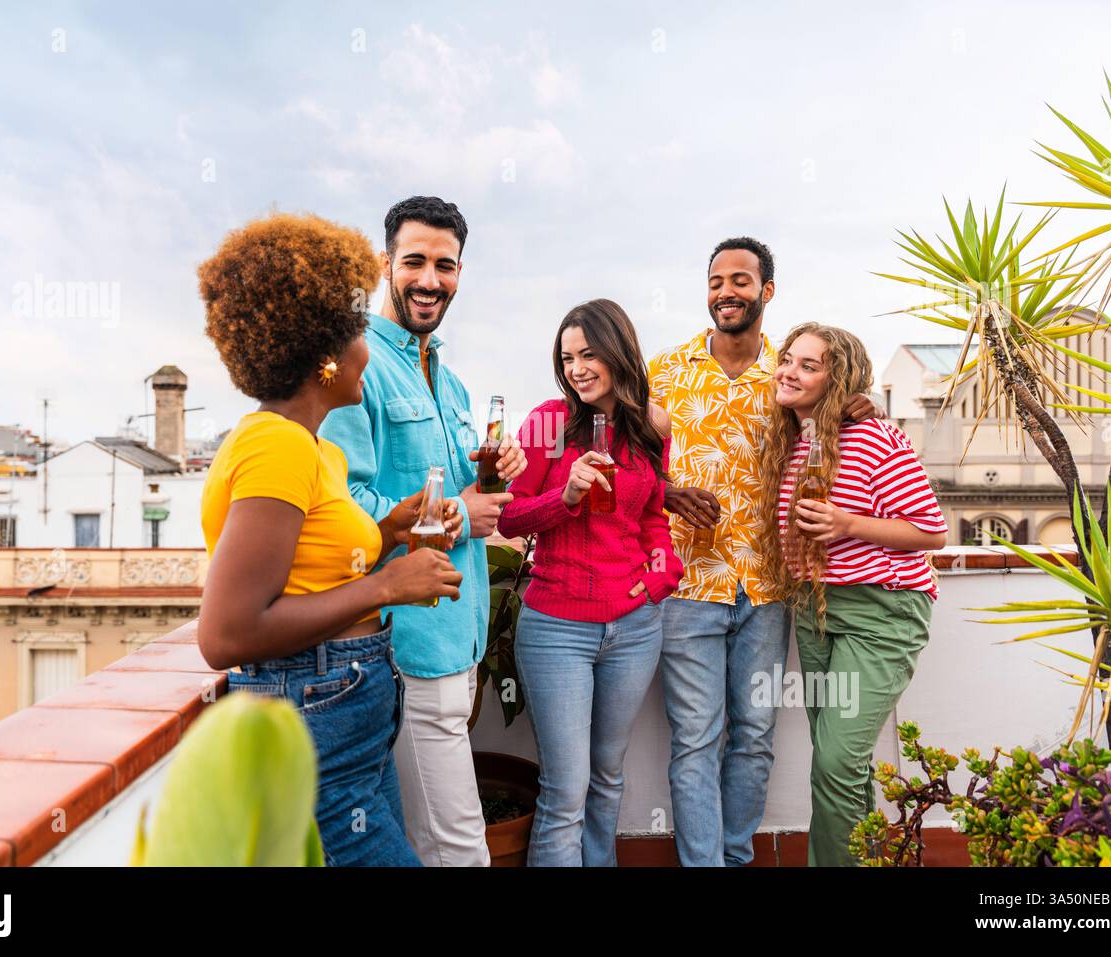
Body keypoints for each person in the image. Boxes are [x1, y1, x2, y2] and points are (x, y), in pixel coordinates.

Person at [194, 212, 464, 867]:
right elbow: (225, 635)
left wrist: (385, 531)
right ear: (323, 354)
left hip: (349, 712)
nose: (366, 344)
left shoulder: (312, 450)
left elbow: (312, 563)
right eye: (353, 331)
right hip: (316, 715)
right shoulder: (276, 446)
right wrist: (387, 583)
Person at [648, 237, 880, 866]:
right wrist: (666, 491)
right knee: (695, 740)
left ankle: (734, 856)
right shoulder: (665, 370)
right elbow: (630, 457)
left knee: (753, 739)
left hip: (772, 591)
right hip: (687, 588)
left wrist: (861, 402)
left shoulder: (787, 375)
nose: (727, 291)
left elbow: (843, 416)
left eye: (741, 281)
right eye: (716, 280)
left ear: (767, 291)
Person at [320, 196, 527, 867]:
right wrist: (467, 514)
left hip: (459, 639)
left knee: (429, 842)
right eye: (415, 261)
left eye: (446, 264)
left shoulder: (455, 382)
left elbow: (467, 483)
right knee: (461, 849)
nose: (430, 279)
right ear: (386, 264)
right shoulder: (357, 368)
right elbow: (345, 507)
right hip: (408, 647)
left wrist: (496, 471)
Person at [498, 298, 684, 867]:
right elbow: (510, 517)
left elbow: (653, 518)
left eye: (588, 354)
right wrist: (568, 495)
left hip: (633, 627)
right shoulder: (548, 421)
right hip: (556, 627)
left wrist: (658, 581)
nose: (576, 368)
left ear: (618, 352)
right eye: (567, 357)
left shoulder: (652, 424)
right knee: (567, 786)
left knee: (608, 775)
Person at [760, 322, 947, 866]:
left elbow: (932, 531)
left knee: (837, 762)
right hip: (815, 609)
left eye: (809, 365)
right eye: (788, 360)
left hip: (880, 612)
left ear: (836, 378)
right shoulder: (797, 441)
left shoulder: (873, 437)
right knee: (845, 763)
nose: (790, 371)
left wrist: (847, 524)